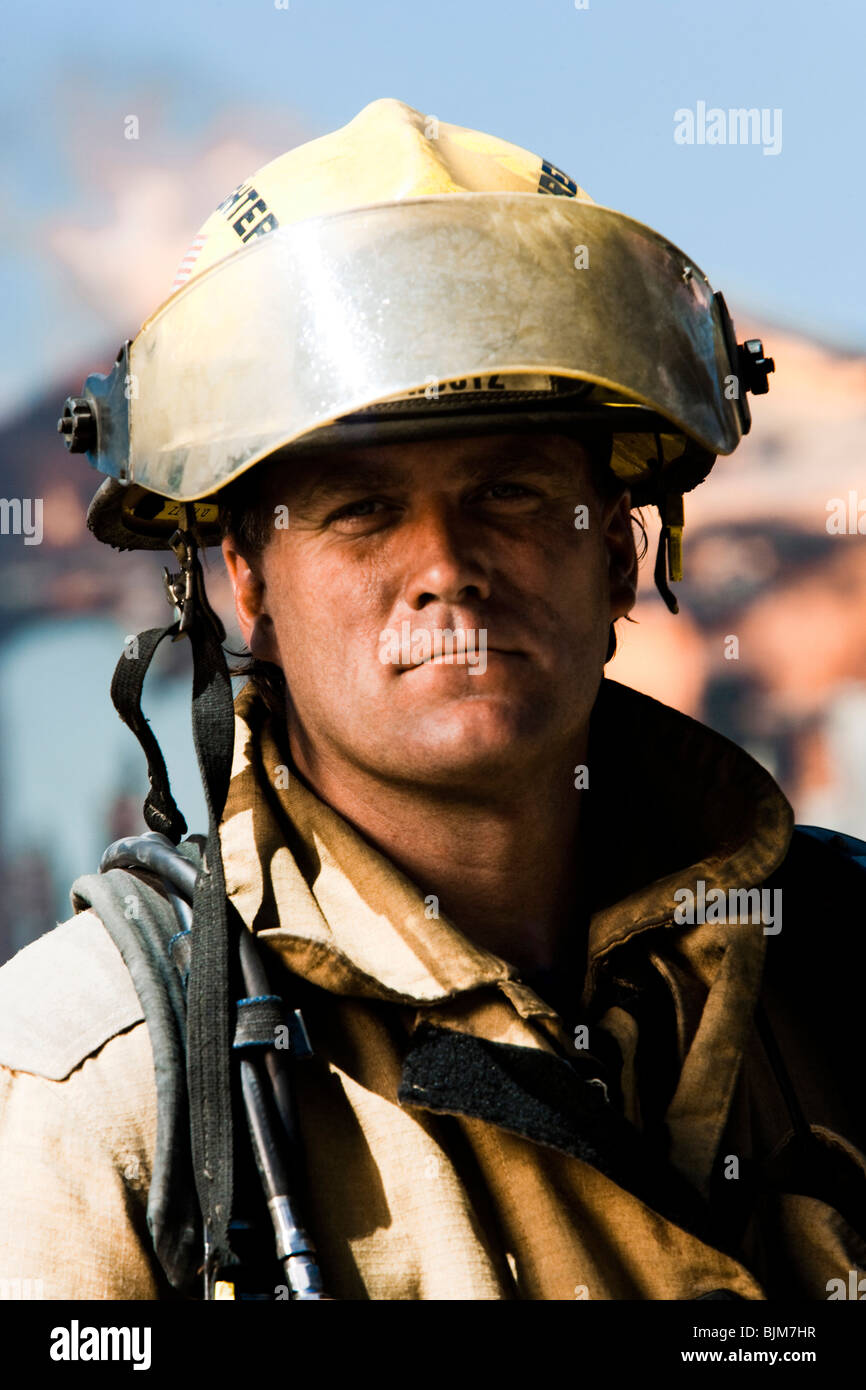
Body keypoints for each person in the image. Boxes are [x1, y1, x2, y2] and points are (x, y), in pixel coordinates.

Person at [1, 98, 864, 1302]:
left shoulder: (840, 966)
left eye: (509, 492)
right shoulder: (96, 1085)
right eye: (359, 510)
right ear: (248, 581)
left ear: (617, 551)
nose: (445, 564)